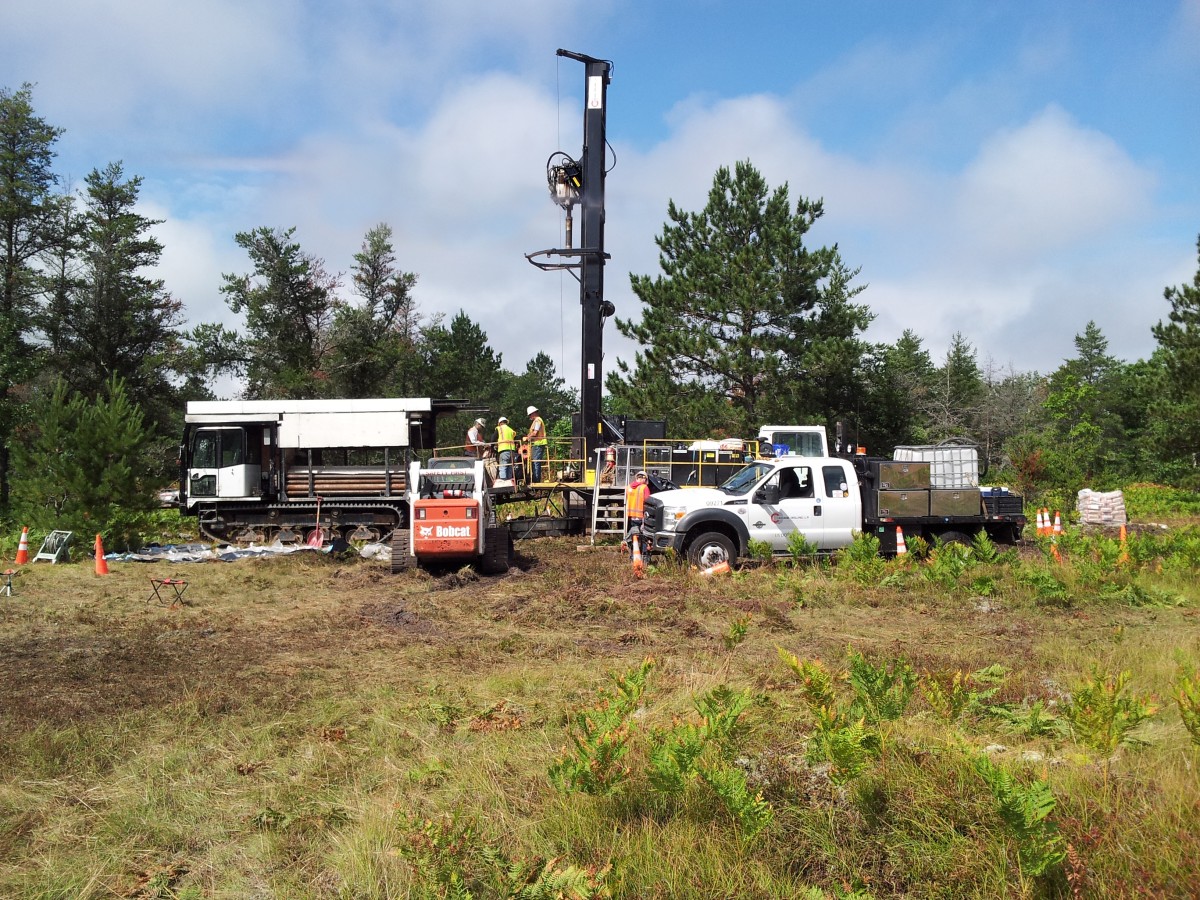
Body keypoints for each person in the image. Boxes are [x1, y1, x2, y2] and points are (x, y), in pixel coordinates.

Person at [625, 470, 650, 558]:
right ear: (644, 479)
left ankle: (632, 555)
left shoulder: (629, 487)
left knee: (634, 537)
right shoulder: (644, 488)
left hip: (632, 516)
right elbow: (648, 502)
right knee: (644, 537)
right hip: (641, 517)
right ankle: (644, 556)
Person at [525, 405, 548, 482]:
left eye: (530, 414)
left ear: (534, 413)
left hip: (539, 443)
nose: (529, 416)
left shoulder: (538, 420)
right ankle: (534, 478)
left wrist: (528, 437)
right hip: (536, 444)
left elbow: (535, 432)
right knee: (534, 462)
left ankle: (536, 480)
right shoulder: (536, 421)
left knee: (536, 462)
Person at [495, 416, 516, 482]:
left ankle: (503, 483)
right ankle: (509, 482)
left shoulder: (499, 428)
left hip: (504, 450)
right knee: (510, 467)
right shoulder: (510, 429)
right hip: (512, 450)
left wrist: (492, 446)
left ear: (500, 423)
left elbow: (493, 438)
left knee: (503, 467)